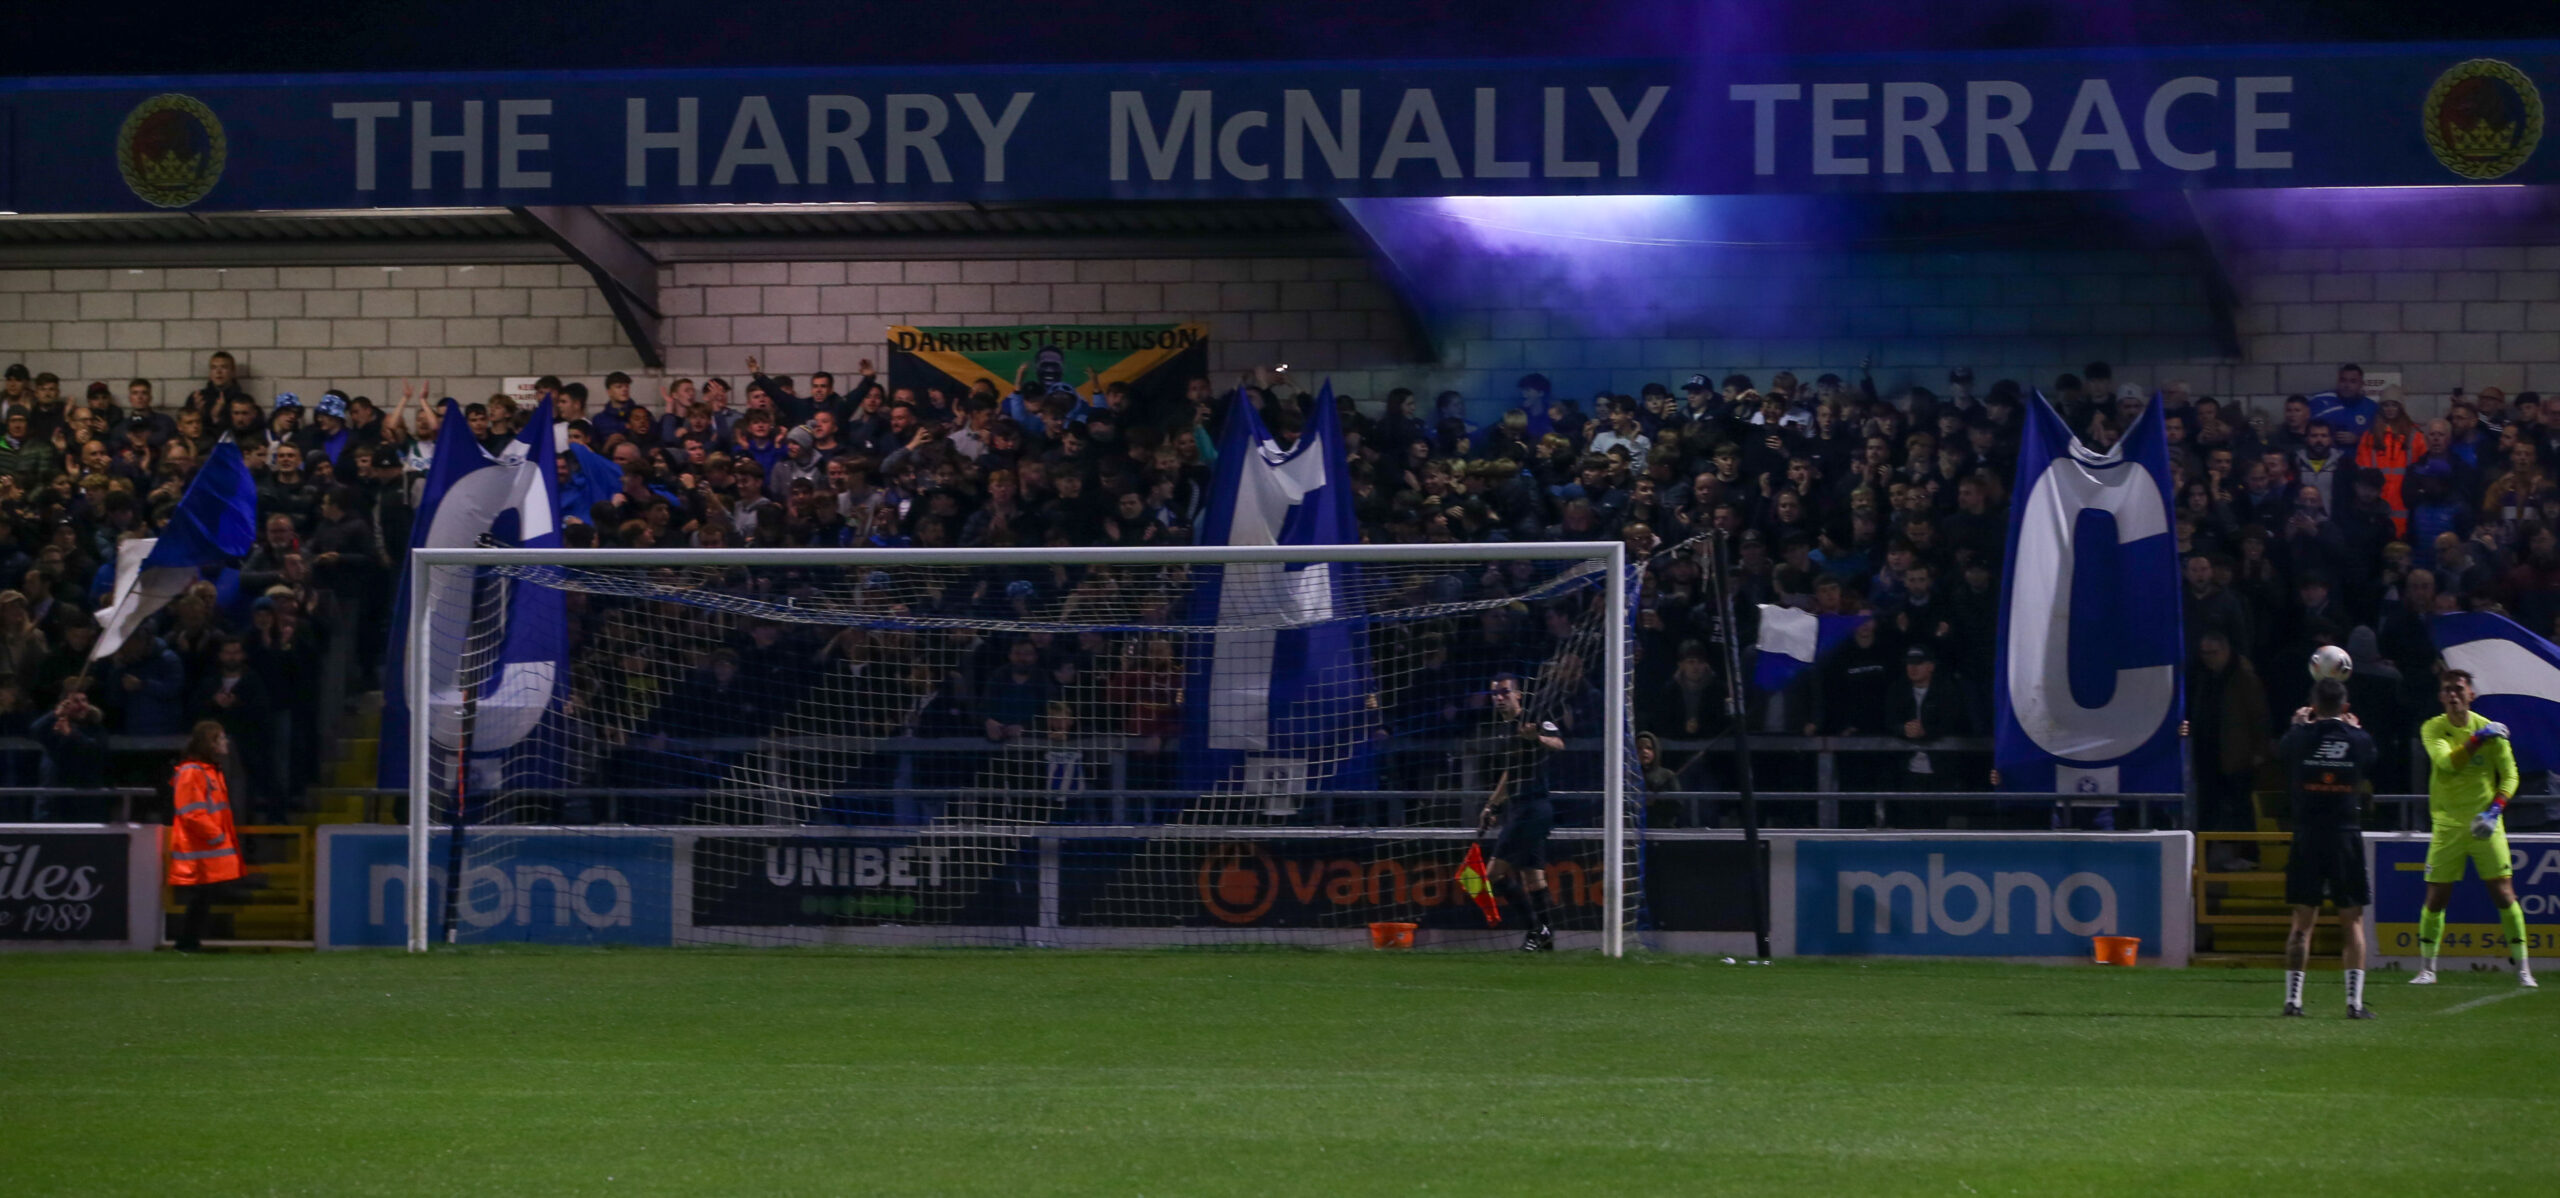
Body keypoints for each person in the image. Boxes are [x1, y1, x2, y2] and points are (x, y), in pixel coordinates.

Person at [2410, 670, 2533, 988]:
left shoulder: (2490, 730)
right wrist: (2480, 739)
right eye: (2447, 690)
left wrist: (2494, 811)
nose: (2453, 695)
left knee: (2504, 894)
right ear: (2441, 697)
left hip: (2485, 825)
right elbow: (2448, 763)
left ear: (2471, 695)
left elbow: (2510, 776)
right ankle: (2427, 969)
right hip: (2448, 825)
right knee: (2436, 897)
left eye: (2459, 689)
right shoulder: (2434, 728)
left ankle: (2523, 970)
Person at [2275, 680, 2378, 1018]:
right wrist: (2355, 729)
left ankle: (2293, 1001)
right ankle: (2354, 1003)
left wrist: (2298, 723)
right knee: (2352, 921)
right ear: (2345, 706)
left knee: (2302, 920)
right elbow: (2371, 756)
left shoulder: (2299, 736)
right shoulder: (2358, 739)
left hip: (2307, 835)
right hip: (2345, 835)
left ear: (2314, 704)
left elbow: (2283, 752)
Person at [1475, 672, 1564, 952]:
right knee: (1533, 878)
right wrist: (1492, 805)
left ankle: (1537, 928)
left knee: (1492, 875)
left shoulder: (1533, 718)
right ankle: (1546, 940)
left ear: (1518, 695)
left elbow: (1558, 743)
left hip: (1534, 808)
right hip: (1519, 807)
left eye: (1504, 692)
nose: (1499, 698)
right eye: (1494, 694)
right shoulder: (1502, 728)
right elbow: (1510, 774)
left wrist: (1536, 737)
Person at [168, 720, 243, 952]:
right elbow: (191, 811)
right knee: (201, 896)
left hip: (208, 846)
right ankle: (187, 943)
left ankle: (189, 942)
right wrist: (215, 835)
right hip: (201, 846)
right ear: (209, 743)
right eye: (220, 738)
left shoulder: (208, 771)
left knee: (204, 897)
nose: (225, 741)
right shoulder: (194, 772)